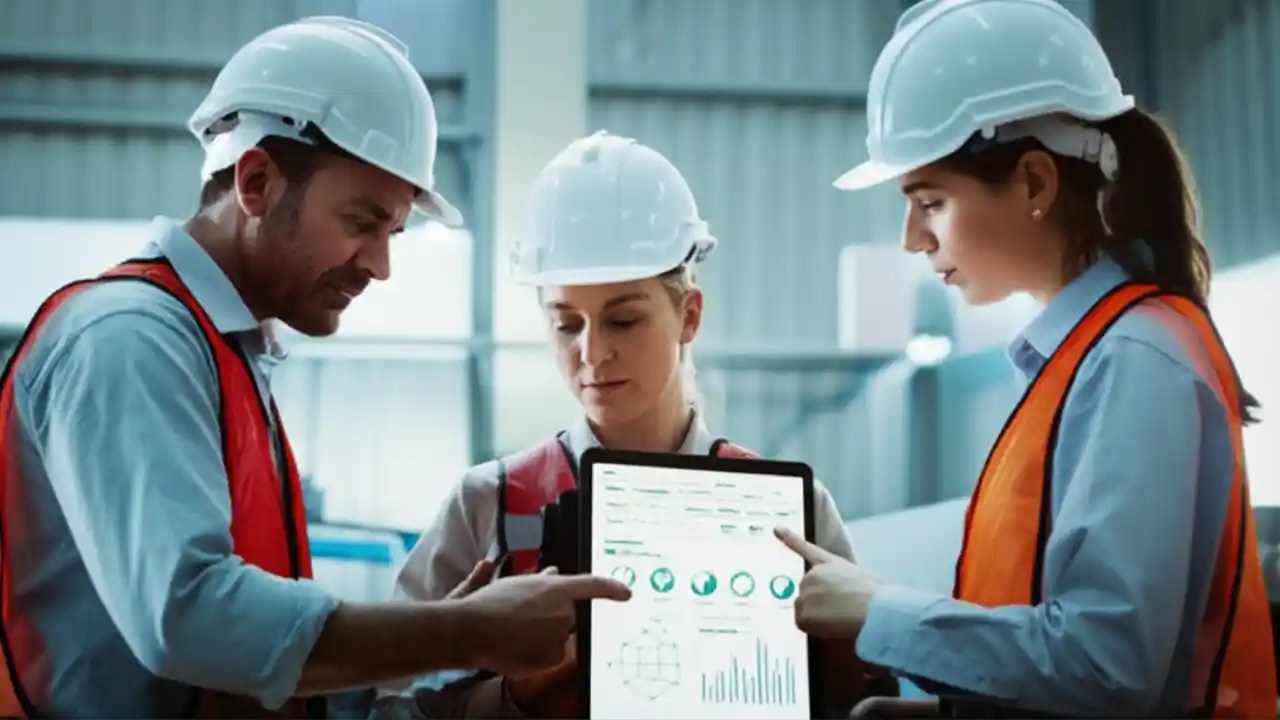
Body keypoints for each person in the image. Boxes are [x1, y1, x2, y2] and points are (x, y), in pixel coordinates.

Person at [0, 17, 630, 718]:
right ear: (257, 181)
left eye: (392, 232)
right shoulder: (129, 340)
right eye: (361, 223)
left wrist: (438, 646)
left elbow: (250, 668)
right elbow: (189, 617)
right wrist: (463, 630)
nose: (381, 266)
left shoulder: (225, 356)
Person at [773, 0, 1277, 717]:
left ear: (1036, 183)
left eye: (930, 201)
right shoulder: (1082, 358)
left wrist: (880, 612)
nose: (913, 239)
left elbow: (1109, 668)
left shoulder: (1134, 360)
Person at [372, 130, 891, 718]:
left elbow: (859, 698)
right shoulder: (487, 505)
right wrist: (512, 698)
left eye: (623, 321)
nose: (593, 354)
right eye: (567, 324)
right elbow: (387, 706)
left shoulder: (790, 512)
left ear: (688, 316)